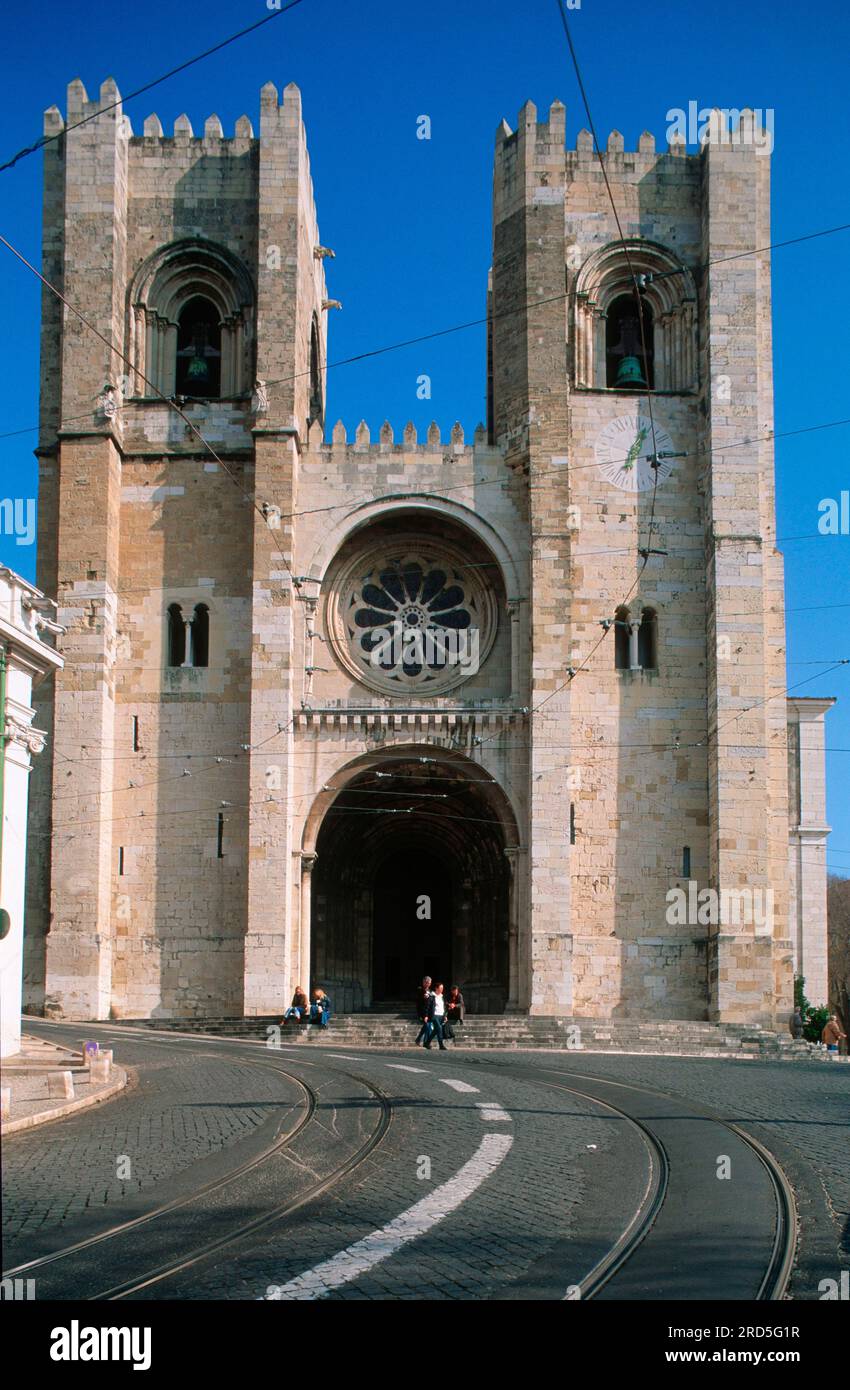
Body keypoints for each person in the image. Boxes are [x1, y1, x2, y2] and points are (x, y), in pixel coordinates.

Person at [424, 982, 448, 1051]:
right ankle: (441, 1045)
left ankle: (427, 1043)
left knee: (436, 1030)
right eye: (440, 988)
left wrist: (445, 1016)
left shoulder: (442, 996)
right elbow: (427, 1007)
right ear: (436, 988)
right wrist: (426, 1016)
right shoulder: (431, 996)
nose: (442, 989)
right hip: (434, 1015)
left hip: (441, 1015)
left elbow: (444, 1007)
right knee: (439, 1028)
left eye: (442, 988)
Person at [415, 976, 433, 1047]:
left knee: (427, 1026)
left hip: (429, 1012)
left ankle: (422, 1041)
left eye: (429, 983)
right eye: (426, 983)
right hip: (422, 1011)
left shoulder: (430, 991)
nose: (428, 984)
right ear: (423, 983)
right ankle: (423, 1041)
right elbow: (418, 1001)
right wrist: (423, 996)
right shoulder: (420, 989)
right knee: (426, 1026)